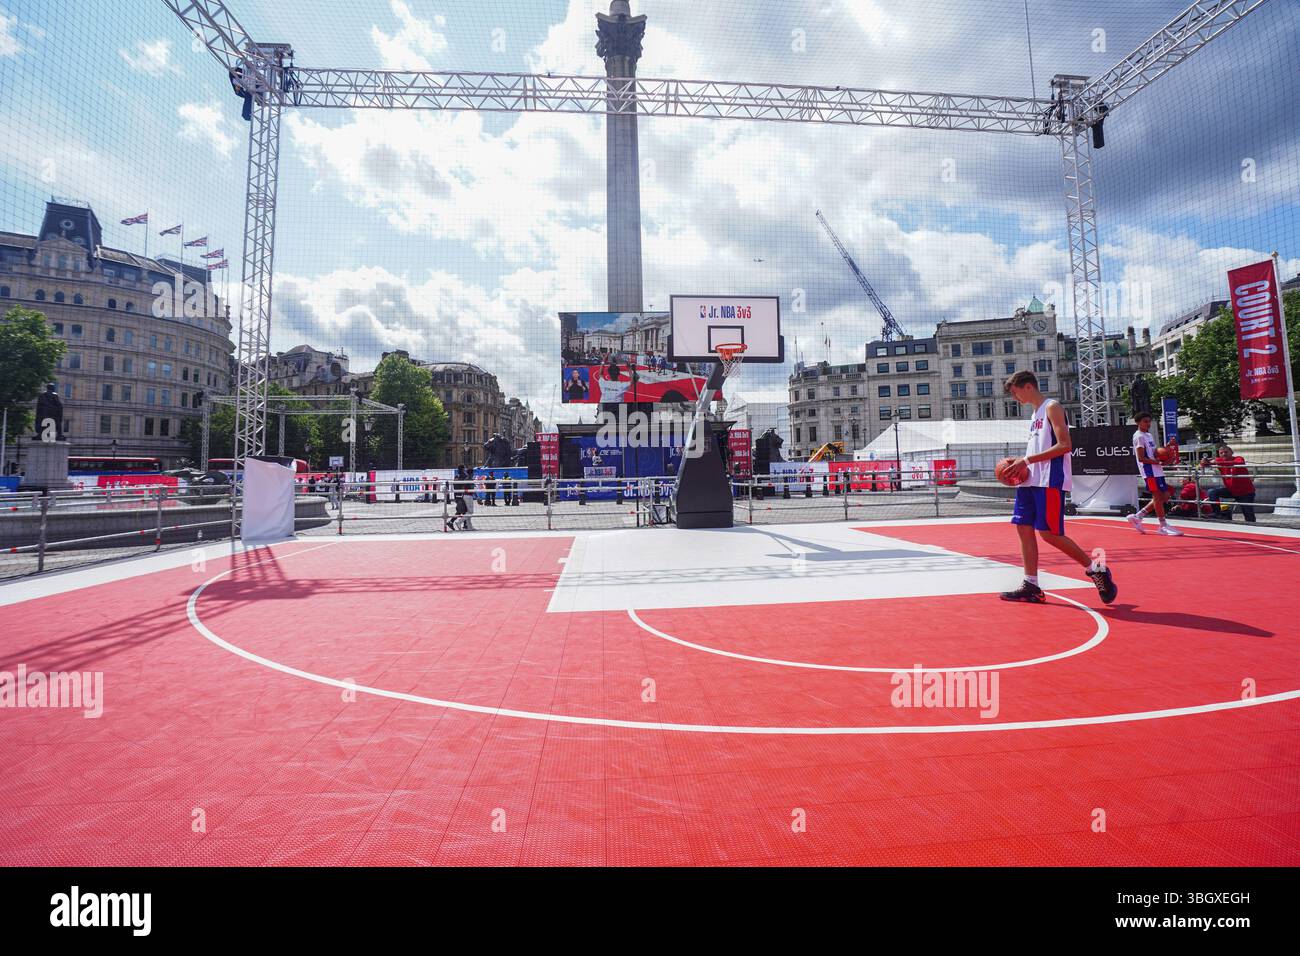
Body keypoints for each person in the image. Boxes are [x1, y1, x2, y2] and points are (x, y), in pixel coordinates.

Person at [999, 371, 1117, 605]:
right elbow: (1038, 449)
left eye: (1015, 392)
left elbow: (1065, 445)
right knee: (1023, 528)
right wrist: (1020, 463)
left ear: (1028, 386)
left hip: (1049, 481)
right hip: (1030, 481)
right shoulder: (1035, 414)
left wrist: (1026, 460)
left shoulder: (1052, 407)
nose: (1014, 398)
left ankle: (1096, 569)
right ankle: (1031, 585)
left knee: (1050, 534)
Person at [1125, 412, 1183, 536]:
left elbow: (1154, 453)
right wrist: (1157, 462)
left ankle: (1138, 516)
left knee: (1165, 496)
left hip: (1156, 470)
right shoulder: (1139, 436)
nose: (1148, 423)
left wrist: (1167, 448)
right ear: (1138, 422)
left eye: (1149, 421)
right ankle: (1163, 525)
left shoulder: (1149, 435)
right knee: (1157, 497)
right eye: (1145, 421)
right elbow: (1141, 458)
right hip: (1148, 471)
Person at [1202, 444, 1256, 523]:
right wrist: (1204, 462)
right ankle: (1217, 513)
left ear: (1231, 452)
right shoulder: (1220, 461)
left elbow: (1239, 462)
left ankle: (1252, 527)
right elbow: (1204, 464)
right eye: (1221, 453)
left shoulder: (1238, 458)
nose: (1224, 454)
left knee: (1249, 515)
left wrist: (1216, 461)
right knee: (1212, 492)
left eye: (1226, 452)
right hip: (1232, 490)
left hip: (1245, 493)